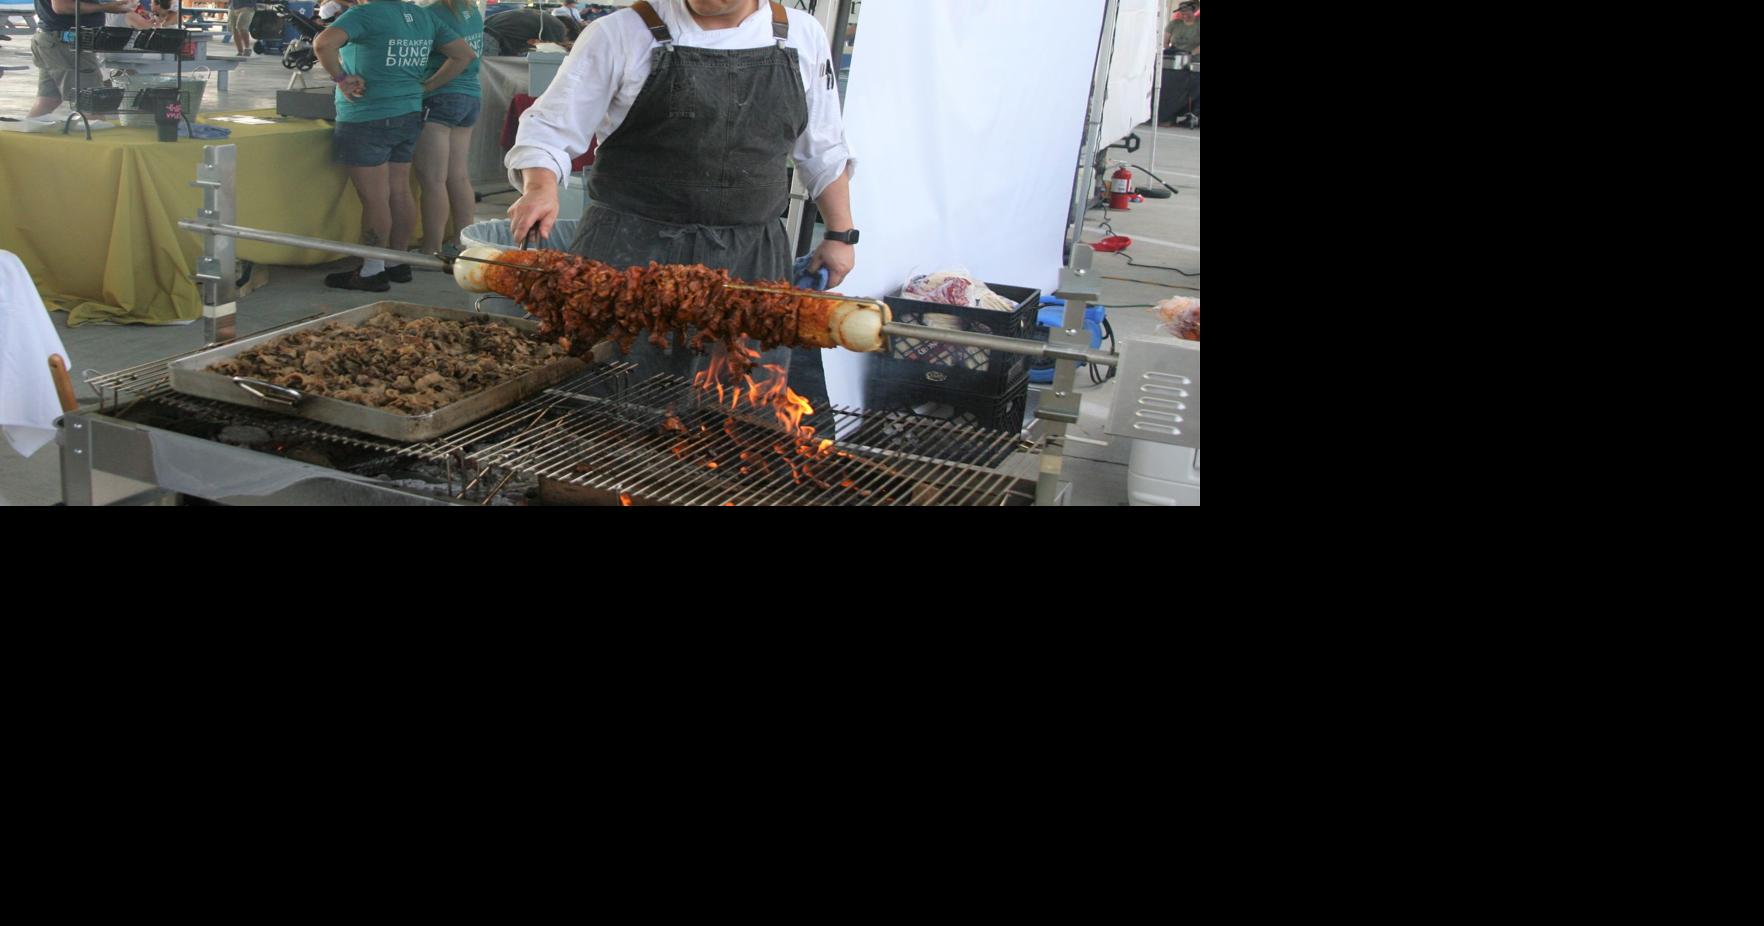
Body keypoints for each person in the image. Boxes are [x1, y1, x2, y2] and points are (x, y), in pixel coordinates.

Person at [505, 0, 856, 410]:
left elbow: (824, 149)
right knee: (608, 399)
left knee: (738, 407)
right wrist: (540, 186)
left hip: (749, 262)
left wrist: (840, 234)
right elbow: (549, 129)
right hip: (629, 258)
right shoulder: (620, 33)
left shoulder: (801, 34)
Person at [315, 0, 476, 291]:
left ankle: (372, 270)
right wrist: (426, 86)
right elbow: (463, 55)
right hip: (408, 112)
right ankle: (397, 261)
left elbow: (323, 44)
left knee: (375, 198)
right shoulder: (422, 16)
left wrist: (341, 78)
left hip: (368, 115)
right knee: (400, 191)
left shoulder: (365, 14)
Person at [412, 0, 483, 259]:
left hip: (441, 99)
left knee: (433, 180)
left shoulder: (430, 13)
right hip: (470, 96)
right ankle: (464, 244)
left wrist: (427, 86)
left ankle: (431, 248)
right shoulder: (470, 10)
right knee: (458, 176)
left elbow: (462, 56)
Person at [29, 0, 140, 117]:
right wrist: (106, 7)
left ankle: (29, 126)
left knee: (48, 100)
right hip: (66, 44)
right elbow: (62, 6)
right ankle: (93, 128)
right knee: (91, 106)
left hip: (50, 40)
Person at [480, 5, 567, 57]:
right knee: (488, 70)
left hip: (485, 29)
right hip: (491, 35)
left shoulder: (547, 21)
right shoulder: (557, 28)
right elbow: (551, 53)